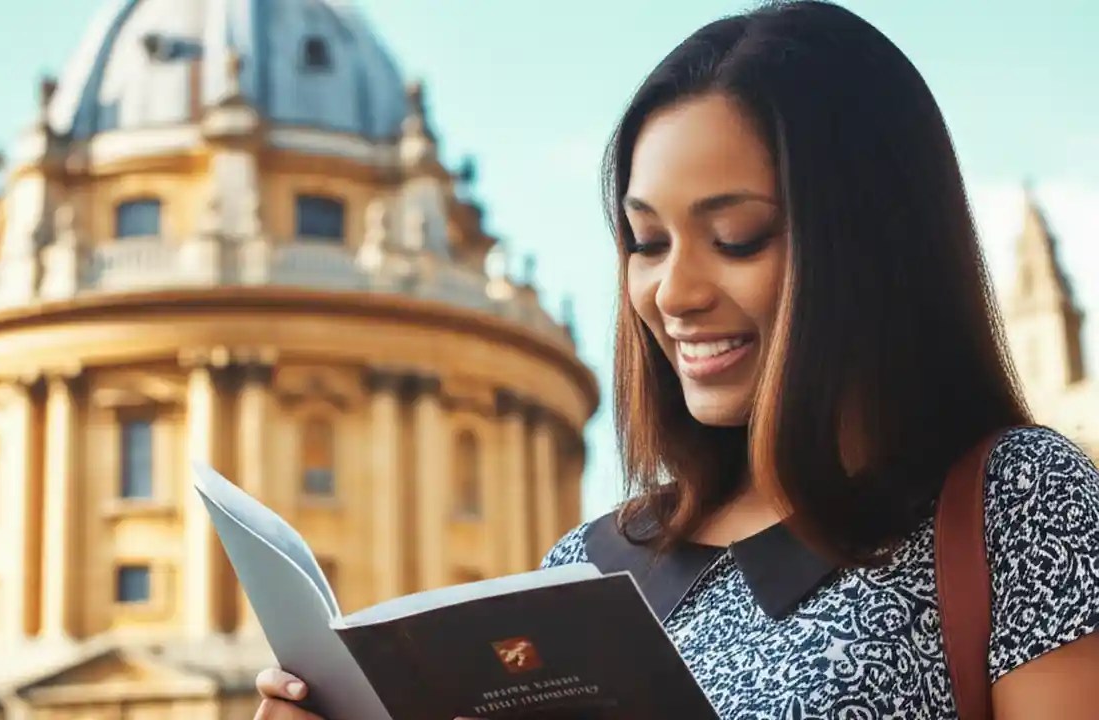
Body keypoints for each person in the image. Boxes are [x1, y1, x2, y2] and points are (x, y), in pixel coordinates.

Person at [253, 1, 1099, 717]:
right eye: (648, 241)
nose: (673, 292)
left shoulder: (1016, 502)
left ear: (874, 244)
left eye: (736, 238)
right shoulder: (584, 565)